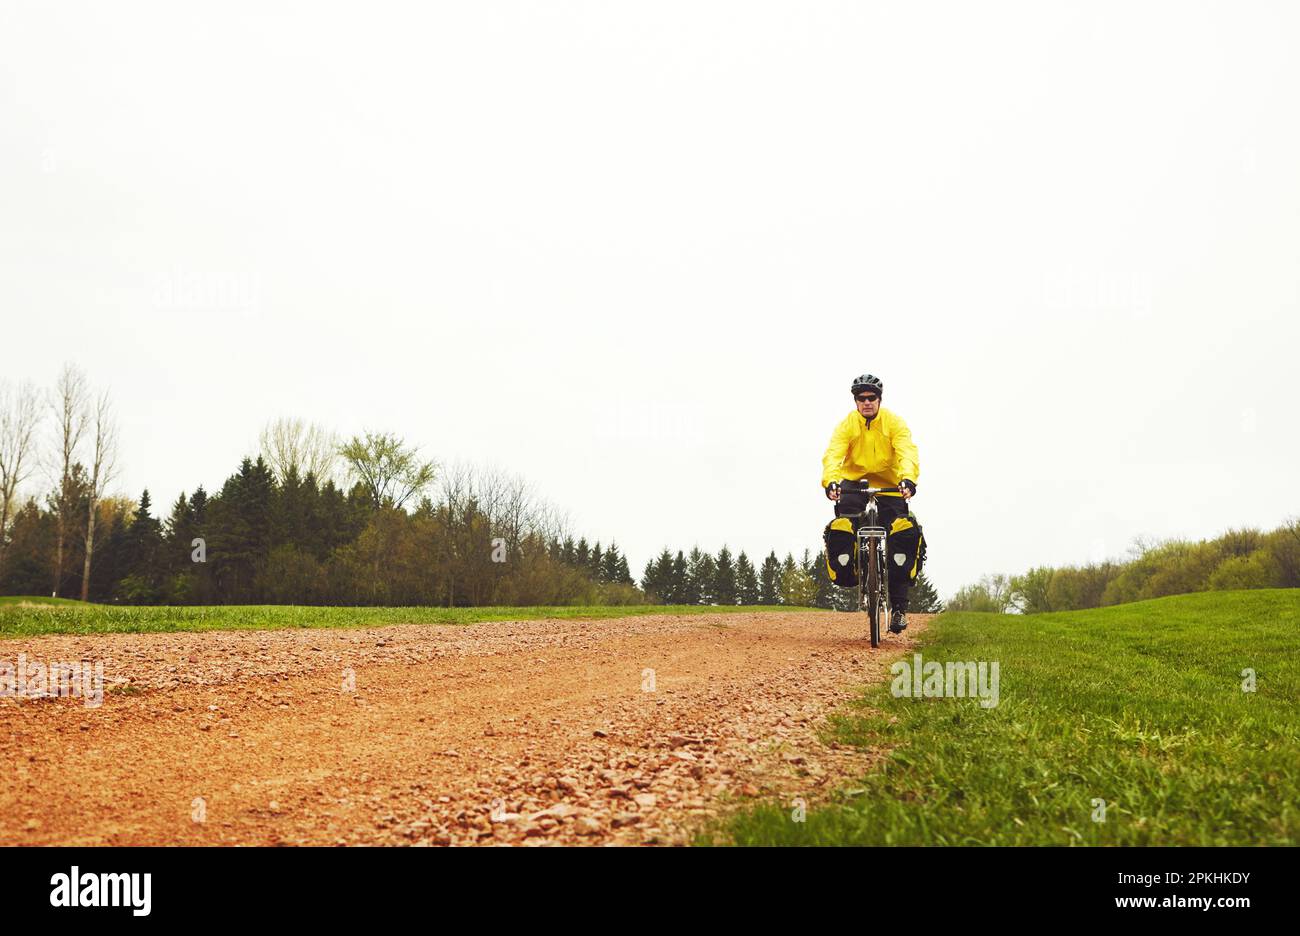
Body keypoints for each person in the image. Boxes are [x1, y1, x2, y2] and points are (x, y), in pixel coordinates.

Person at [821, 373, 920, 633]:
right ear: (855, 401)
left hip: (890, 485)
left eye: (871, 398)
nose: (866, 402)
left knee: (901, 532)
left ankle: (898, 609)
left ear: (879, 399)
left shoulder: (894, 423)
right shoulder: (847, 425)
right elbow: (833, 454)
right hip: (855, 484)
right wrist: (831, 482)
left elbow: (907, 451)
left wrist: (908, 479)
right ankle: (856, 567)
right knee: (845, 527)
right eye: (861, 398)